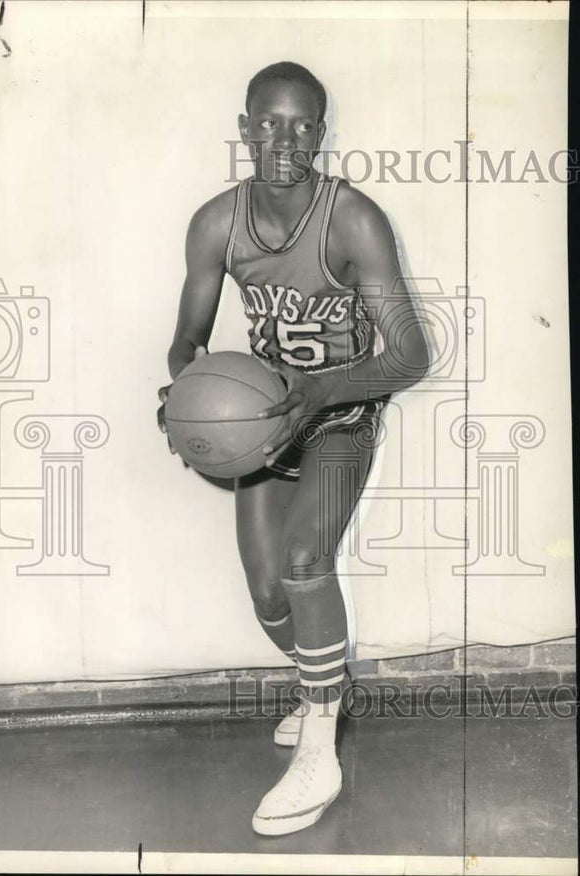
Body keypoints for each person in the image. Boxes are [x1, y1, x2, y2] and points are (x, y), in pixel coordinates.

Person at [158, 61, 429, 836]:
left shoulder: (354, 220)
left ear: (322, 133)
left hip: (341, 410)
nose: (285, 139)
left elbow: (411, 356)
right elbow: (186, 342)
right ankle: (327, 690)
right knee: (271, 595)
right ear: (243, 129)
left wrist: (322, 391)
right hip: (268, 416)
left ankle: (318, 743)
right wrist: (190, 399)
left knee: (306, 561)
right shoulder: (217, 222)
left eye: (303, 125)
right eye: (268, 123)